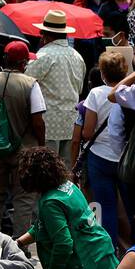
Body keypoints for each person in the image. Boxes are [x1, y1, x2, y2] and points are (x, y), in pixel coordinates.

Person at [0, 41, 46, 235]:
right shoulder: (30, 84)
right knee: (24, 198)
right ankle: (20, 244)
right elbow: (38, 121)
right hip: (24, 150)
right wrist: (40, 145)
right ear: (23, 62)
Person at [71, 50, 130, 249]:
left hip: (100, 157)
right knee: (129, 207)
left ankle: (109, 251)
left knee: (105, 208)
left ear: (103, 73)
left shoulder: (96, 94)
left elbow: (87, 132)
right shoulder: (131, 91)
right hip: (125, 157)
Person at [24, 10, 85, 163]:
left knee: (46, 170)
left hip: (47, 124)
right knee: (65, 172)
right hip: (71, 122)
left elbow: (25, 85)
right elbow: (79, 89)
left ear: (45, 34)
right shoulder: (78, 57)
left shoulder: (43, 56)